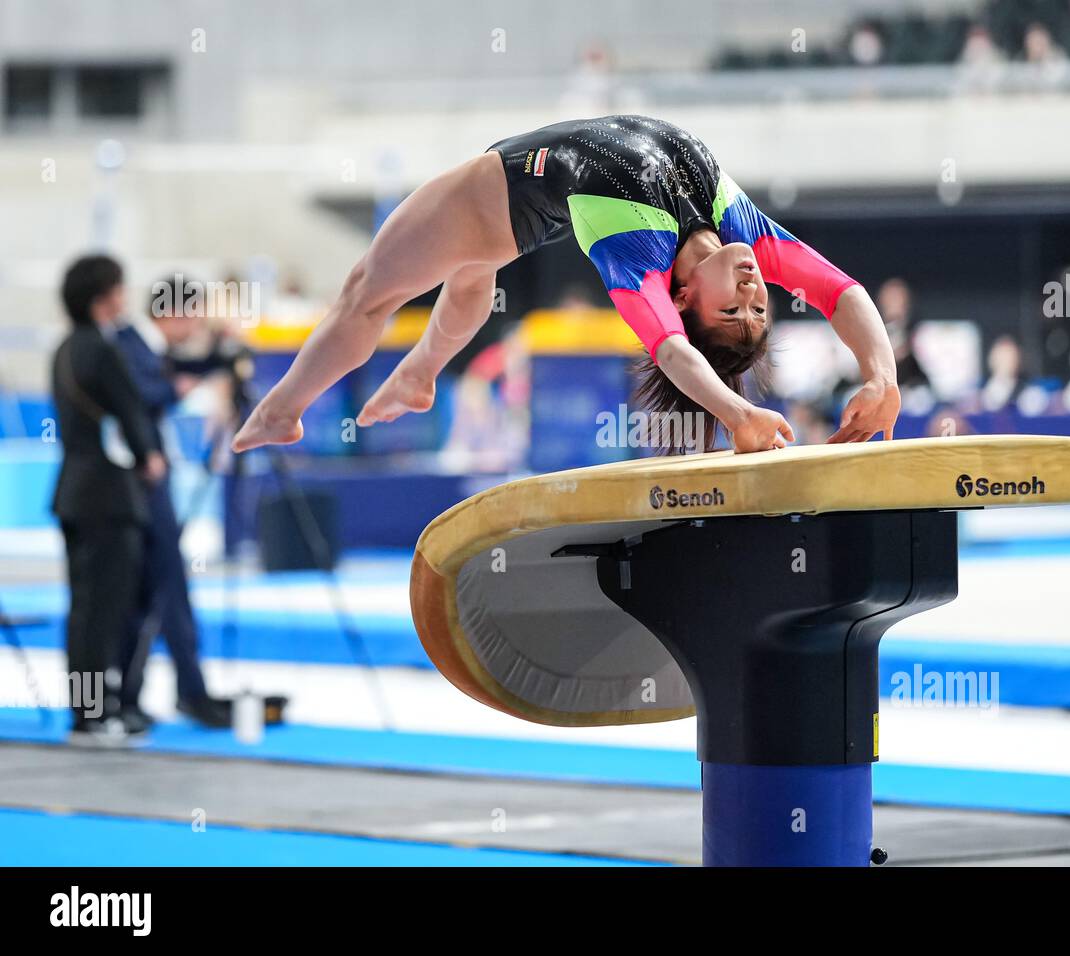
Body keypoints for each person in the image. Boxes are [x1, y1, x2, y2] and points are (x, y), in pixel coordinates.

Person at [231, 115, 899, 456]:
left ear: (684, 299)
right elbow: (841, 292)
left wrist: (736, 414)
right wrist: (880, 374)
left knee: (366, 292)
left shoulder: (637, 252)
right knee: (470, 280)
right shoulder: (740, 228)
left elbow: (671, 351)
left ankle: (282, 409)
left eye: (734, 310)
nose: (754, 289)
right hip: (524, 201)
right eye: (760, 308)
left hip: (497, 195)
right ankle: (421, 372)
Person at [50, 255, 166, 745]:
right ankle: (99, 714)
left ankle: (86, 712)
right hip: (108, 498)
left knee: (83, 611)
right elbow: (131, 411)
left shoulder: (63, 349)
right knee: (105, 612)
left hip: (72, 493)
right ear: (104, 296)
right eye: (119, 289)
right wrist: (150, 456)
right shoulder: (104, 349)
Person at [112, 275, 234, 730]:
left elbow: (177, 372)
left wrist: (219, 357)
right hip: (134, 482)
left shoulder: (150, 349)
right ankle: (154, 694)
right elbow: (144, 393)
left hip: (145, 481)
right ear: (174, 313)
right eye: (194, 316)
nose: (196, 326)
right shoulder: (127, 345)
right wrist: (184, 383)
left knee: (157, 588)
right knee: (153, 587)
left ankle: (162, 692)